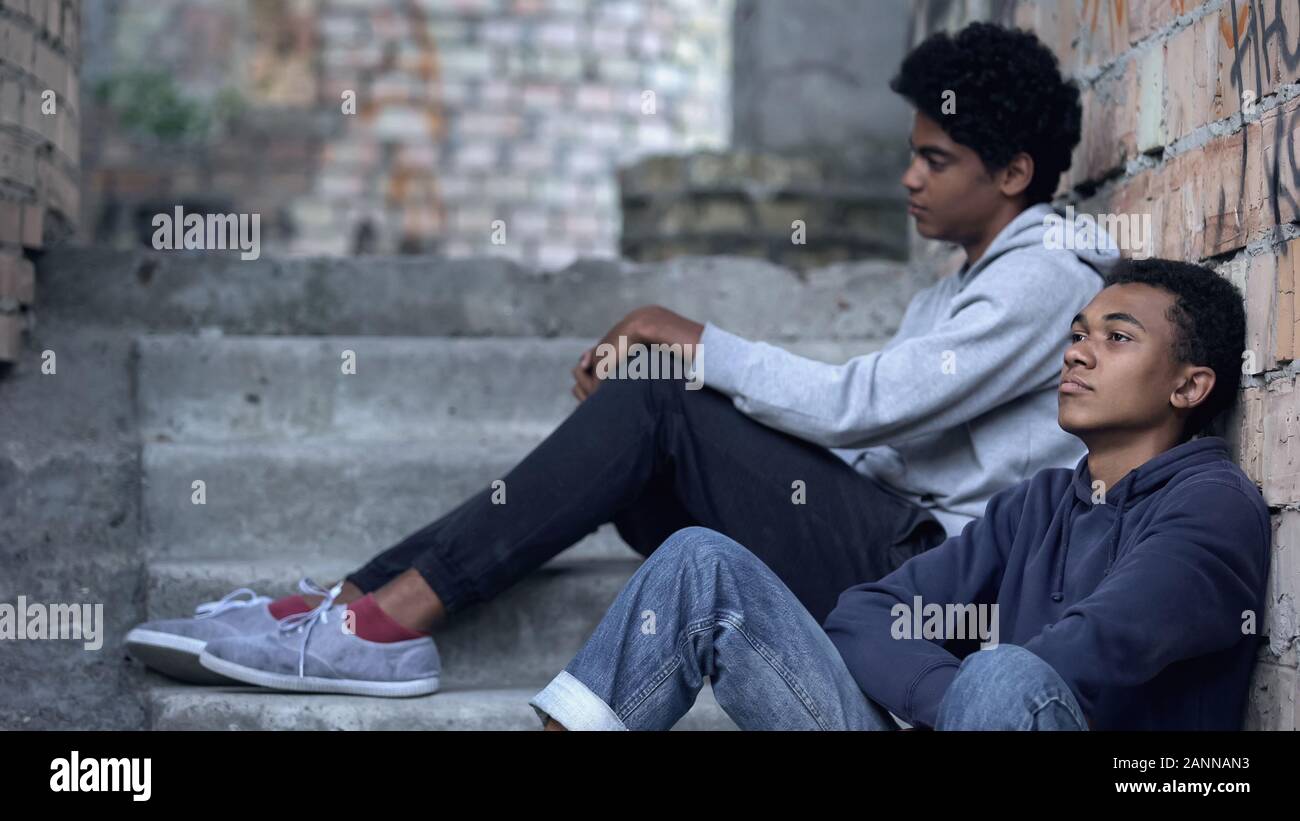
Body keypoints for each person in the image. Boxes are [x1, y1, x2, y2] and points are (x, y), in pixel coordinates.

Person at [126, 23, 1115, 697]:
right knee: (649, 435)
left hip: (938, 582)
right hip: (889, 553)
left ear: (1014, 173)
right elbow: (870, 444)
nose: (907, 176)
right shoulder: (954, 285)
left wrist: (695, 346)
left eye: (933, 160)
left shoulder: (1047, 275)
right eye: (911, 152)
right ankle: (352, 600)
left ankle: (383, 627)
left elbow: (860, 409)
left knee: (658, 405)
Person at [529, 258, 1269, 731]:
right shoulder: (1040, 502)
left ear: (1189, 384)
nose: (1076, 350)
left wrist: (975, 695)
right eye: (1077, 332)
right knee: (701, 563)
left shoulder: (1211, 504)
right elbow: (865, 614)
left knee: (1005, 673)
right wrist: (955, 700)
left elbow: (1094, 649)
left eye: (1115, 337)